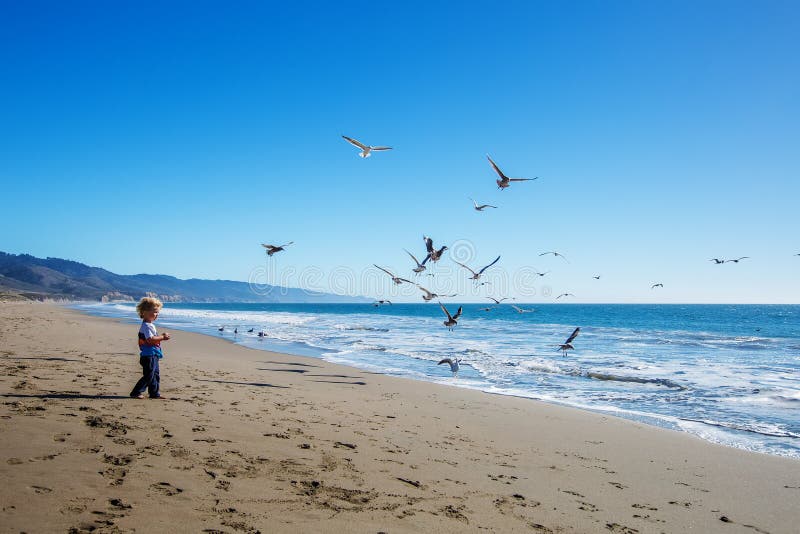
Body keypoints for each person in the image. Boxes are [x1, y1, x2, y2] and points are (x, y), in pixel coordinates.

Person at [129, 297, 171, 399]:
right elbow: (150, 339)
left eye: (158, 313)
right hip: (148, 355)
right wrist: (162, 337)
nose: (156, 315)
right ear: (144, 312)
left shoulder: (149, 325)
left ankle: (154, 393)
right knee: (149, 375)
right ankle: (136, 392)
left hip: (153, 353)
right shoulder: (147, 326)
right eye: (154, 312)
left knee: (155, 375)